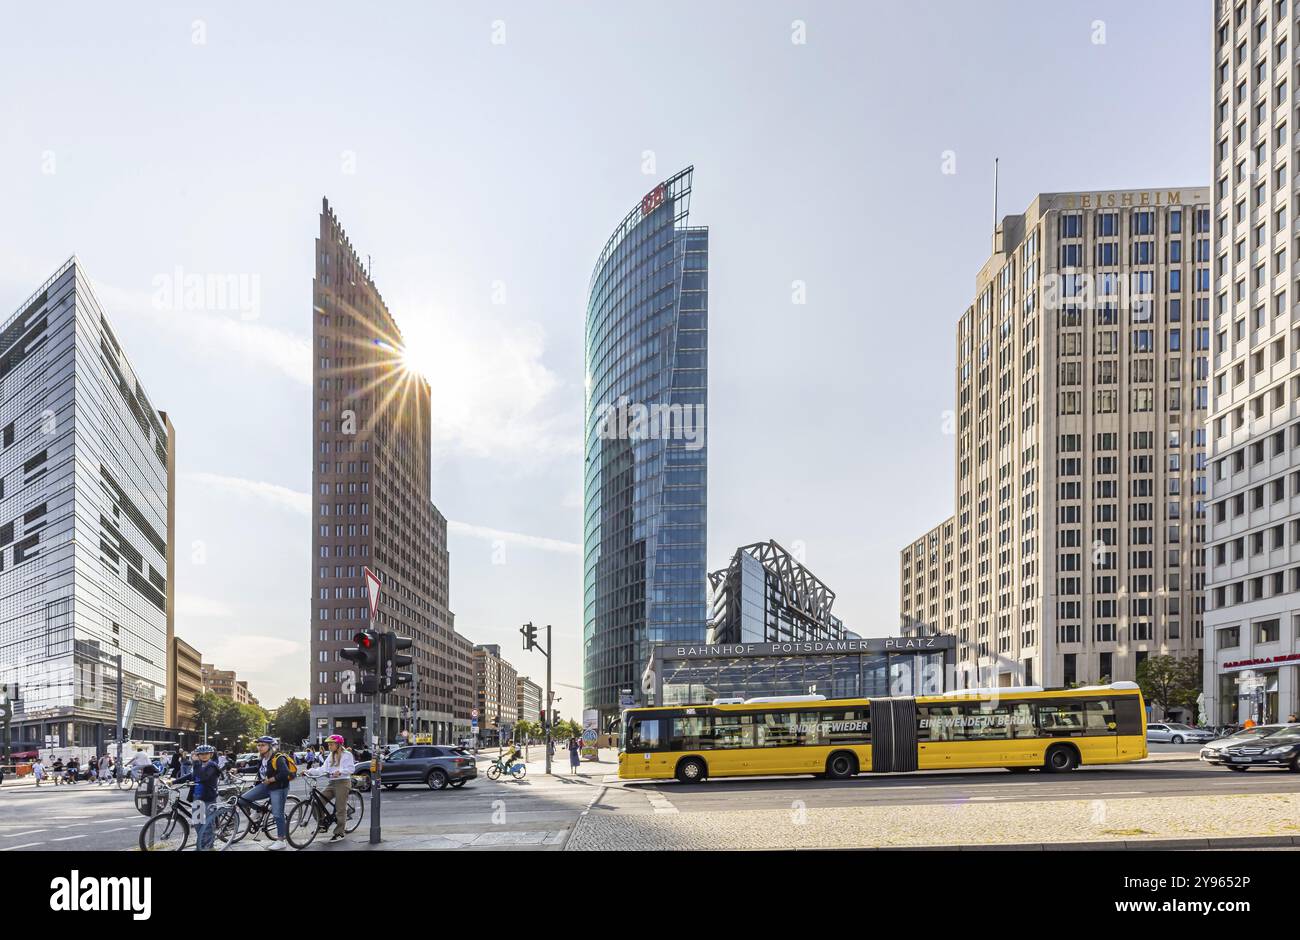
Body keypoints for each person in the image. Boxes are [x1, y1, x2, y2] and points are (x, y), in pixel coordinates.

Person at [238, 736, 292, 849]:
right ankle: (260, 810)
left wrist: (271, 780)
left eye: (263, 745)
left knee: (278, 814)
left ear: (270, 746)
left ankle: (281, 841)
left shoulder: (278, 758)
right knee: (242, 800)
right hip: (266, 786)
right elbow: (256, 768)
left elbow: (285, 773)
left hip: (278, 787)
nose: (260, 747)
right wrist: (238, 770)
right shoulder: (263, 758)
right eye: (259, 745)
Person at [306, 735, 354, 843]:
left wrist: (341, 771)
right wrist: (309, 771)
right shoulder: (330, 756)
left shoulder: (347, 755)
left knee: (340, 808)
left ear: (338, 744)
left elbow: (351, 768)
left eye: (331, 744)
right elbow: (323, 769)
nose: (329, 746)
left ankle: (339, 833)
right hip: (332, 783)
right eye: (328, 744)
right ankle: (322, 824)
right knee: (317, 802)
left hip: (343, 782)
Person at [174, 744, 222, 851]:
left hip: (208, 798)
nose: (204, 756)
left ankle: (208, 847)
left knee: (208, 824)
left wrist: (195, 763)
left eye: (206, 754)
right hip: (197, 797)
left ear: (211, 754)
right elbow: (191, 776)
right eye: (201, 754)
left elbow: (203, 777)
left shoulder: (212, 766)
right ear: (198, 755)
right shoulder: (199, 765)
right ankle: (201, 845)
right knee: (197, 823)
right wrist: (173, 781)